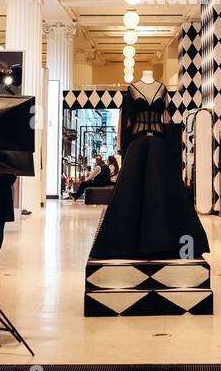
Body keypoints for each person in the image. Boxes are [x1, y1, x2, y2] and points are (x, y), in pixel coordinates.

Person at [88, 76, 210, 259]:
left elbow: (166, 119)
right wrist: (125, 149)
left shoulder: (162, 89)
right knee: (134, 192)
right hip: (138, 146)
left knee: (162, 192)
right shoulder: (132, 89)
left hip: (158, 145)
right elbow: (127, 121)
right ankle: (132, 242)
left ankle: (175, 243)